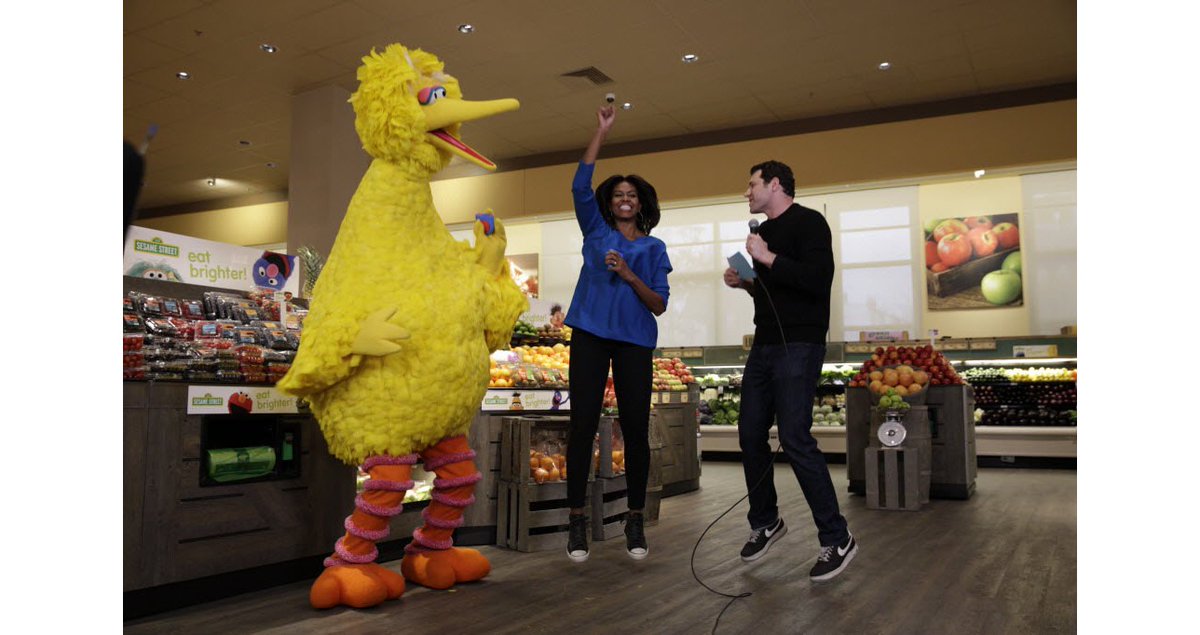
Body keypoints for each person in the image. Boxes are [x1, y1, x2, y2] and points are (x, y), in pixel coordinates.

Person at [721, 160, 857, 582]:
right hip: (764, 344)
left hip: (801, 344)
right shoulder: (764, 234)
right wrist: (746, 280)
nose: (747, 192)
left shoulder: (810, 223)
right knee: (748, 433)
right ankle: (765, 522)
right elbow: (774, 297)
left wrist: (767, 257)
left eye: (752, 184)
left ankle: (837, 537)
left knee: (795, 438)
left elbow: (818, 280)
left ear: (775, 184)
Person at [563, 105, 672, 563]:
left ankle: (633, 519)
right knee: (582, 424)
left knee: (634, 428)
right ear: (609, 203)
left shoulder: (653, 247)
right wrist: (601, 131)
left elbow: (659, 304)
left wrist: (628, 273)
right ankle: (576, 522)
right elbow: (578, 184)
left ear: (641, 204)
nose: (624, 199)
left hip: (633, 342)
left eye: (632, 195)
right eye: (618, 194)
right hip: (590, 334)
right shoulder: (594, 231)